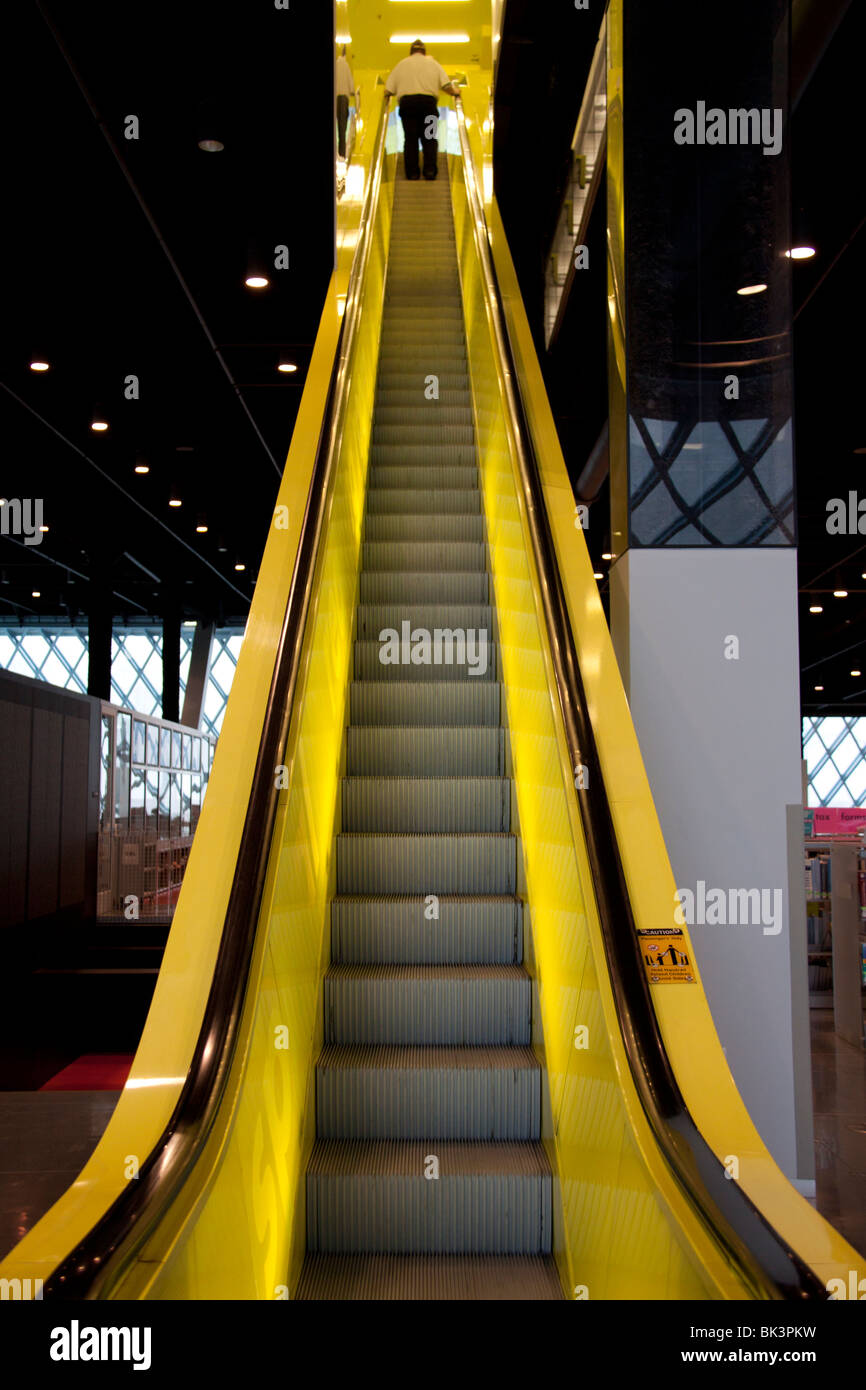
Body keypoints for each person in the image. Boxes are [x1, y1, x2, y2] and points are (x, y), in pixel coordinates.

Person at [384, 39, 460, 181]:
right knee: (430, 138)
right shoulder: (433, 64)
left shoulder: (401, 64)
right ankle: (430, 171)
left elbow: (388, 90)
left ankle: (412, 173)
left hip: (408, 106)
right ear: (424, 52)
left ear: (411, 52)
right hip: (428, 105)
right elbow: (446, 85)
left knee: (411, 139)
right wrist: (455, 92)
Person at [335, 46, 358, 161]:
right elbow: (351, 86)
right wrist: (355, 93)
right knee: (342, 129)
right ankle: (342, 154)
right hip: (343, 99)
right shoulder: (346, 65)